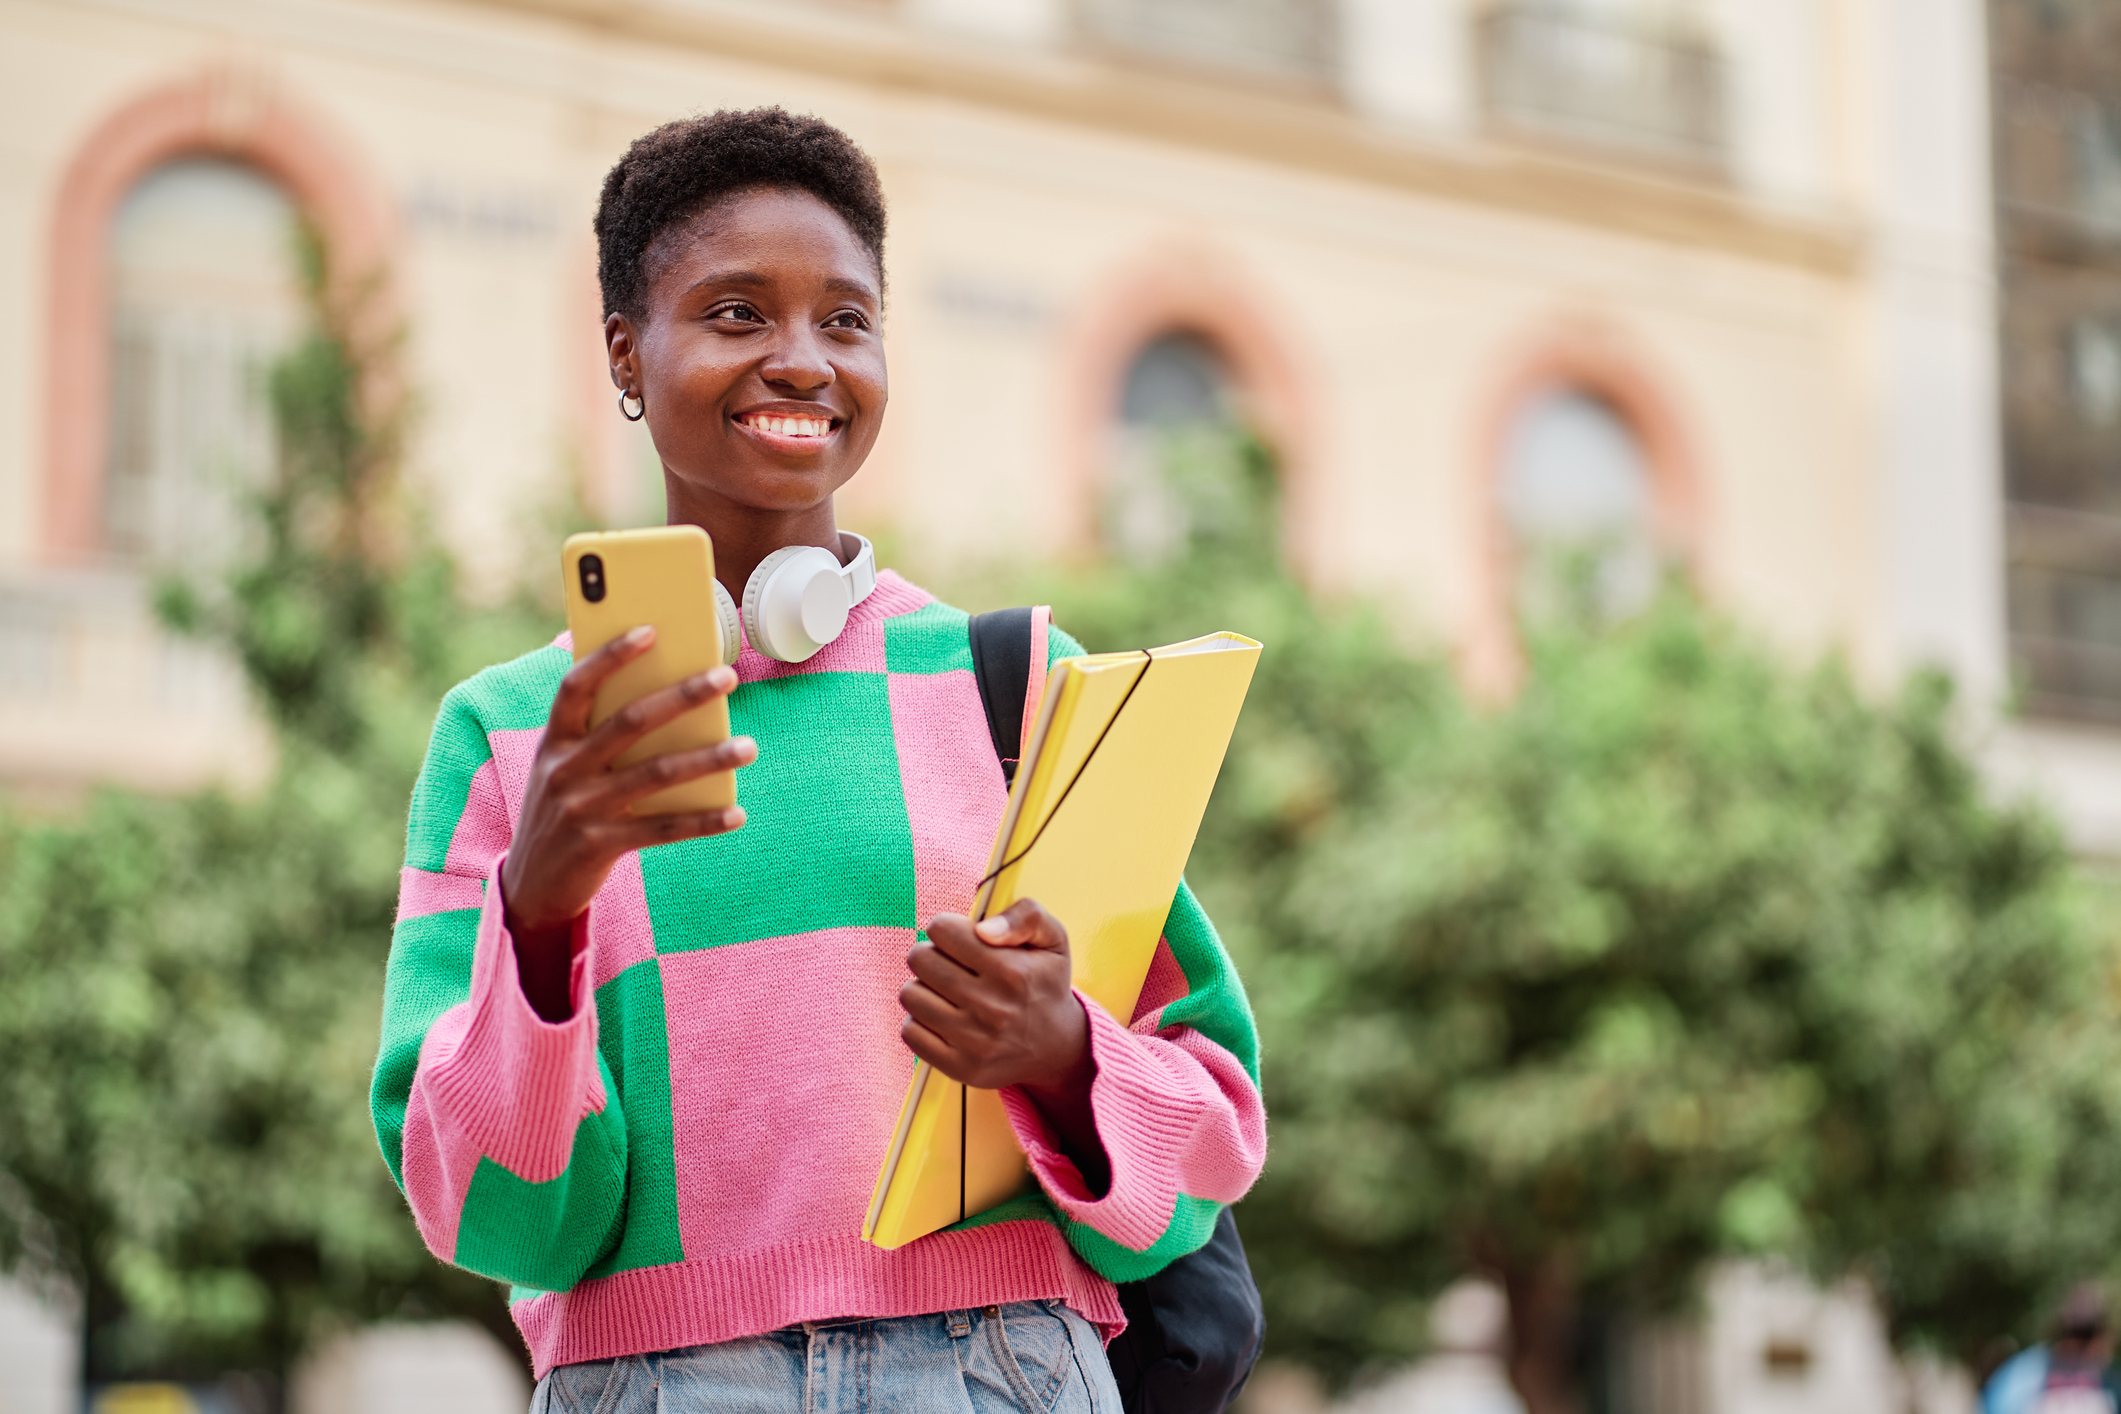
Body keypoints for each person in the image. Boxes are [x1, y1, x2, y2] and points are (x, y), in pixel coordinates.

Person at [369, 107, 1266, 1413]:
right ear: (628, 350)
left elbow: (1216, 1125)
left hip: (998, 1369)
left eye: (844, 320)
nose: (802, 359)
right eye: (737, 312)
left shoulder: (1015, 684)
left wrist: (1063, 1052)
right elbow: (499, 1215)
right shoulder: (510, 736)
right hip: (654, 1383)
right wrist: (542, 913)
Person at [1982, 1284, 2121, 1414]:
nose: (2079, 1345)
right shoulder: (2025, 1373)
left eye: (2088, 1334)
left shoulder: (2111, 1380)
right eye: (2075, 1333)